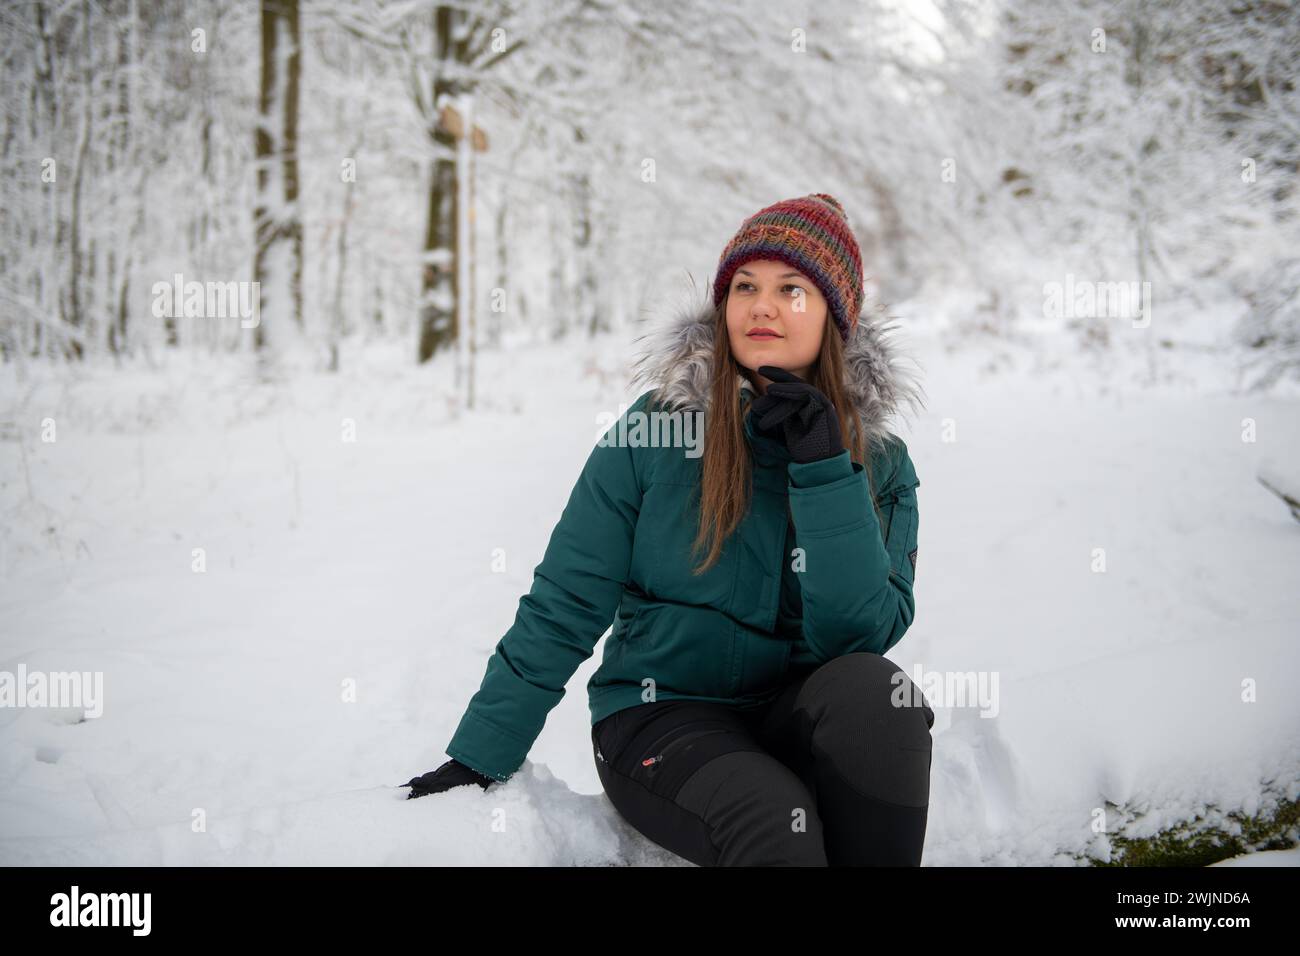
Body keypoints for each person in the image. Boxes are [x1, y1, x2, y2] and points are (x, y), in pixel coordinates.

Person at [405, 193, 933, 866]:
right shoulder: (657, 430)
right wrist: (480, 753)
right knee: (779, 819)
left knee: (882, 699)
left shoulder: (877, 461)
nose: (761, 306)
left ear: (835, 314)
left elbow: (858, 638)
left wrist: (826, 469)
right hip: (661, 718)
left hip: (795, 713)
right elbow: (567, 600)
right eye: (745, 286)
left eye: (791, 289)